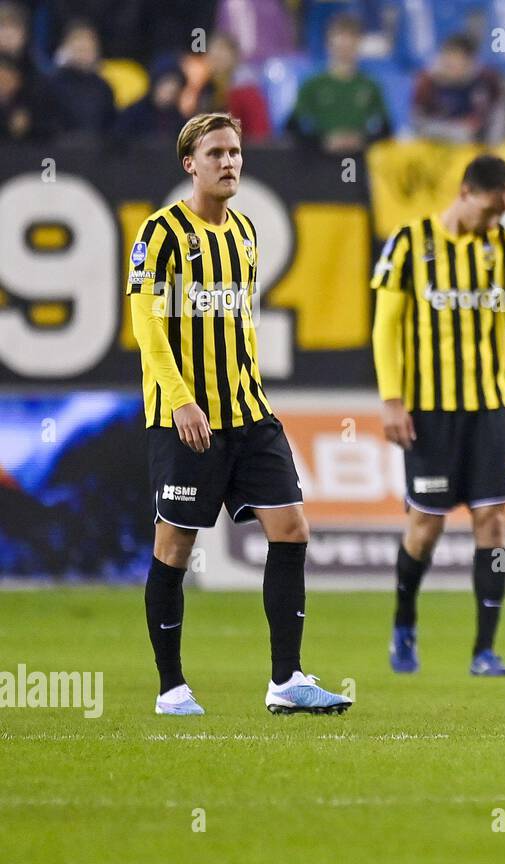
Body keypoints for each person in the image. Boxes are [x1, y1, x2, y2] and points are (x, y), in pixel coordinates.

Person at [127, 112, 352, 717]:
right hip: (185, 418)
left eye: (235, 152)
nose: (229, 162)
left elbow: (237, 326)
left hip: (250, 415)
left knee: (293, 529)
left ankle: (286, 680)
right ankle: (172, 687)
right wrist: (180, 400)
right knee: (174, 547)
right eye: (216, 153)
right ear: (189, 164)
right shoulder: (160, 233)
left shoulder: (247, 232)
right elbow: (146, 325)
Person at [370, 156, 505, 676]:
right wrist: (391, 399)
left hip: (491, 408)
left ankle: (484, 650)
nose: (493, 220)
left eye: (503, 212)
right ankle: (404, 623)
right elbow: (385, 326)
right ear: (465, 192)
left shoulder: (500, 243)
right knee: (425, 526)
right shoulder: (409, 243)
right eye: (491, 209)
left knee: (492, 522)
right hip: (429, 411)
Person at [288, 12, 389, 154]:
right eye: (340, 37)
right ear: (328, 43)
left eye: (351, 38)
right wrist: (324, 140)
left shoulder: (370, 86)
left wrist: (361, 140)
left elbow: (385, 128)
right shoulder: (313, 84)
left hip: (358, 162)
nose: (345, 45)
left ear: (358, 43)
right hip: (318, 162)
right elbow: (294, 126)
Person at [411, 33, 501, 143]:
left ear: (469, 61)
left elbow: (490, 115)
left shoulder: (484, 80)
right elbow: (418, 116)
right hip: (434, 133)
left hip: (471, 140)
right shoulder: (427, 80)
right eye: (447, 57)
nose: (450, 63)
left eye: (457, 59)